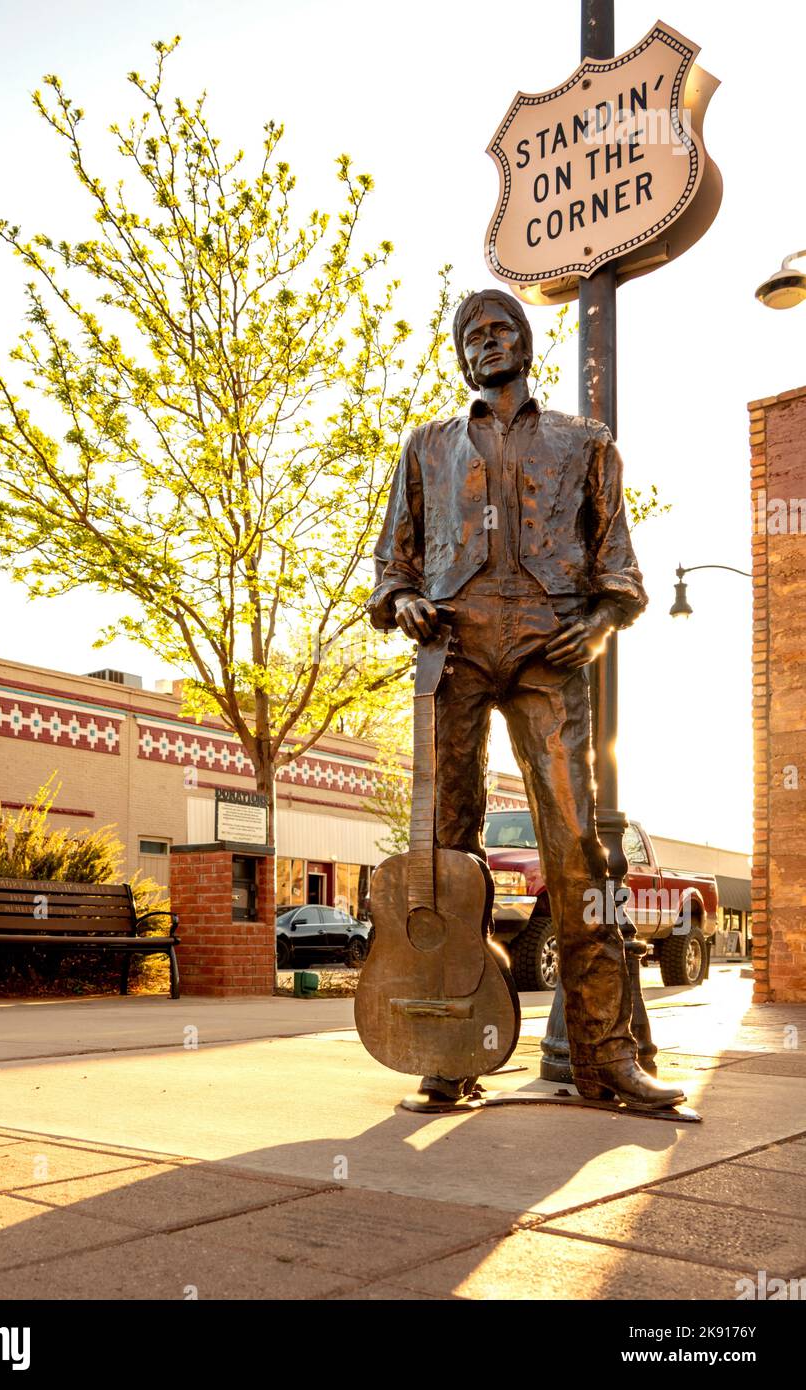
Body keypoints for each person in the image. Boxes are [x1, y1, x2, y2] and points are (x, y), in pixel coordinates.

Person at [368, 288, 684, 1111]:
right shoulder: (425, 447)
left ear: (527, 343)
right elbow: (391, 565)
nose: (486, 342)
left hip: (548, 646)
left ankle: (605, 1057)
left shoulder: (584, 442)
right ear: (459, 354)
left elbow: (619, 568)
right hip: (453, 646)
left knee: (575, 847)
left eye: (500, 328)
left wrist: (600, 625)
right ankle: (448, 1050)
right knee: (445, 854)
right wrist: (402, 601)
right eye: (470, 334)